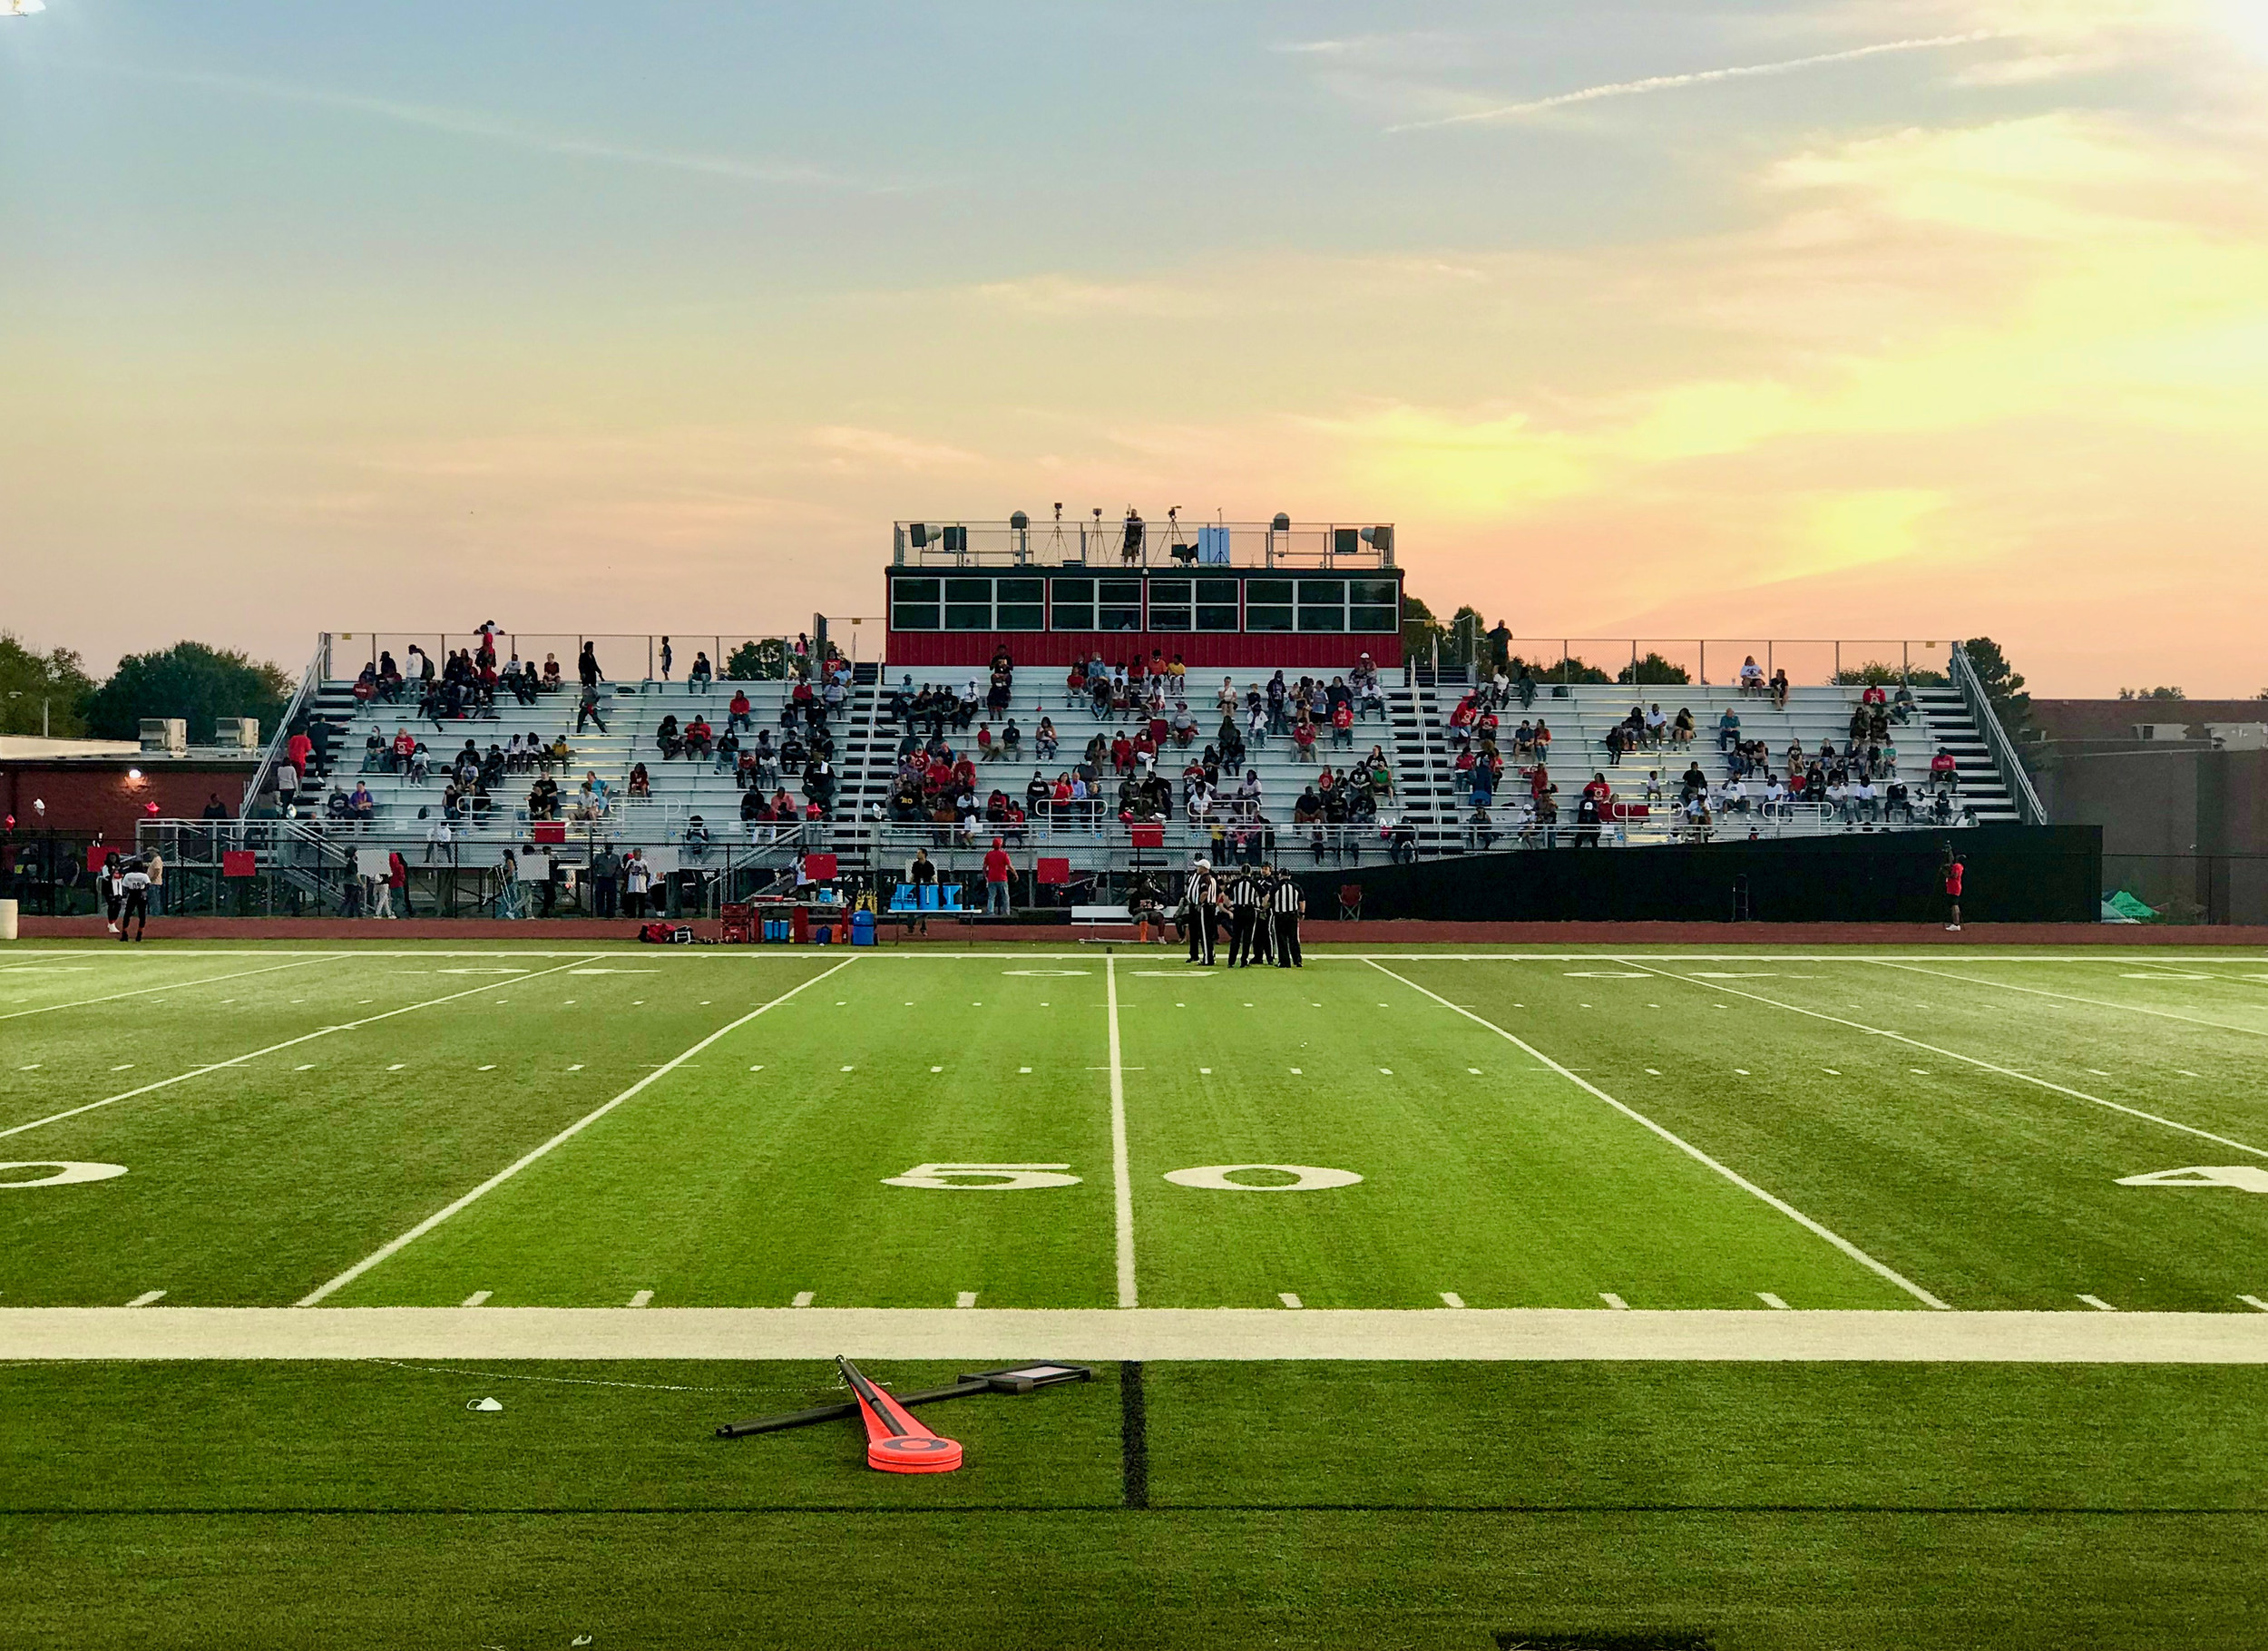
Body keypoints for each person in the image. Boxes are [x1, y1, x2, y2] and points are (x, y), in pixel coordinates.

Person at [1227, 863, 1266, 967]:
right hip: (1250, 910)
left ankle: (1231, 961)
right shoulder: (1254, 883)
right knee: (1247, 937)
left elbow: (1224, 895)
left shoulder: (1235, 882)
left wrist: (1230, 905)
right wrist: (1261, 907)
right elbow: (1266, 895)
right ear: (1251, 872)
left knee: (1236, 937)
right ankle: (1244, 960)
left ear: (1241, 872)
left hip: (1238, 910)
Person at [1182, 857, 1219, 965]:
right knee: (1207, 933)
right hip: (1210, 906)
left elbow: (1204, 893)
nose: (1197, 868)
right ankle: (1209, 956)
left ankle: (1208, 959)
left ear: (1204, 868)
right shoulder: (1211, 878)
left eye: (1199, 866)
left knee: (1204, 934)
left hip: (1205, 907)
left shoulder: (1204, 878)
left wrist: (1199, 903)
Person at [1268, 862, 1305, 967]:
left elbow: (1268, 901)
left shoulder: (1275, 887)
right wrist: (1302, 913)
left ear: (1280, 875)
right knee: (1293, 939)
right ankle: (1297, 960)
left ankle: (1284, 962)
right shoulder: (1296, 887)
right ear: (1290, 876)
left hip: (1279, 916)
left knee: (1281, 939)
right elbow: (1302, 901)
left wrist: (1262, 908)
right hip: (1292, 915)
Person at [117, 858, 151, 942]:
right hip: (141, 894)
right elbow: (148, 885)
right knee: (142, 915)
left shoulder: (128, 875)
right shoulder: (144, 876)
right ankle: (139, 934)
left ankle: (124, 933)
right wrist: (144, 891)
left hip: (132, 894)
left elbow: (124, 886)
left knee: (127, 914)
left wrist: (125, 894)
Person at [982, 835, 1013, 915]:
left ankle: (990, 912)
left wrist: (985, 875)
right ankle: (1006, 912)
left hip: (992, 878)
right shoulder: (1004, 854)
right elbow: (1009, 866)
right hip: (1002, 878)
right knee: (1005, 897)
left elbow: (985, 866)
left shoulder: (989, 854)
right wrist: (1015, 874)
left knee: (991, 897)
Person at [1943, 849, 1964, 932]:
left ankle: (1956, 923)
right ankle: (1955, 922)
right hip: (1953, 888)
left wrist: (1946, 874)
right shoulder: (1958, 866)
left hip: (1954, 888)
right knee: (1953, 905)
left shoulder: (1957, 866)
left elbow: (1954, 876)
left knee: (1954, 905)